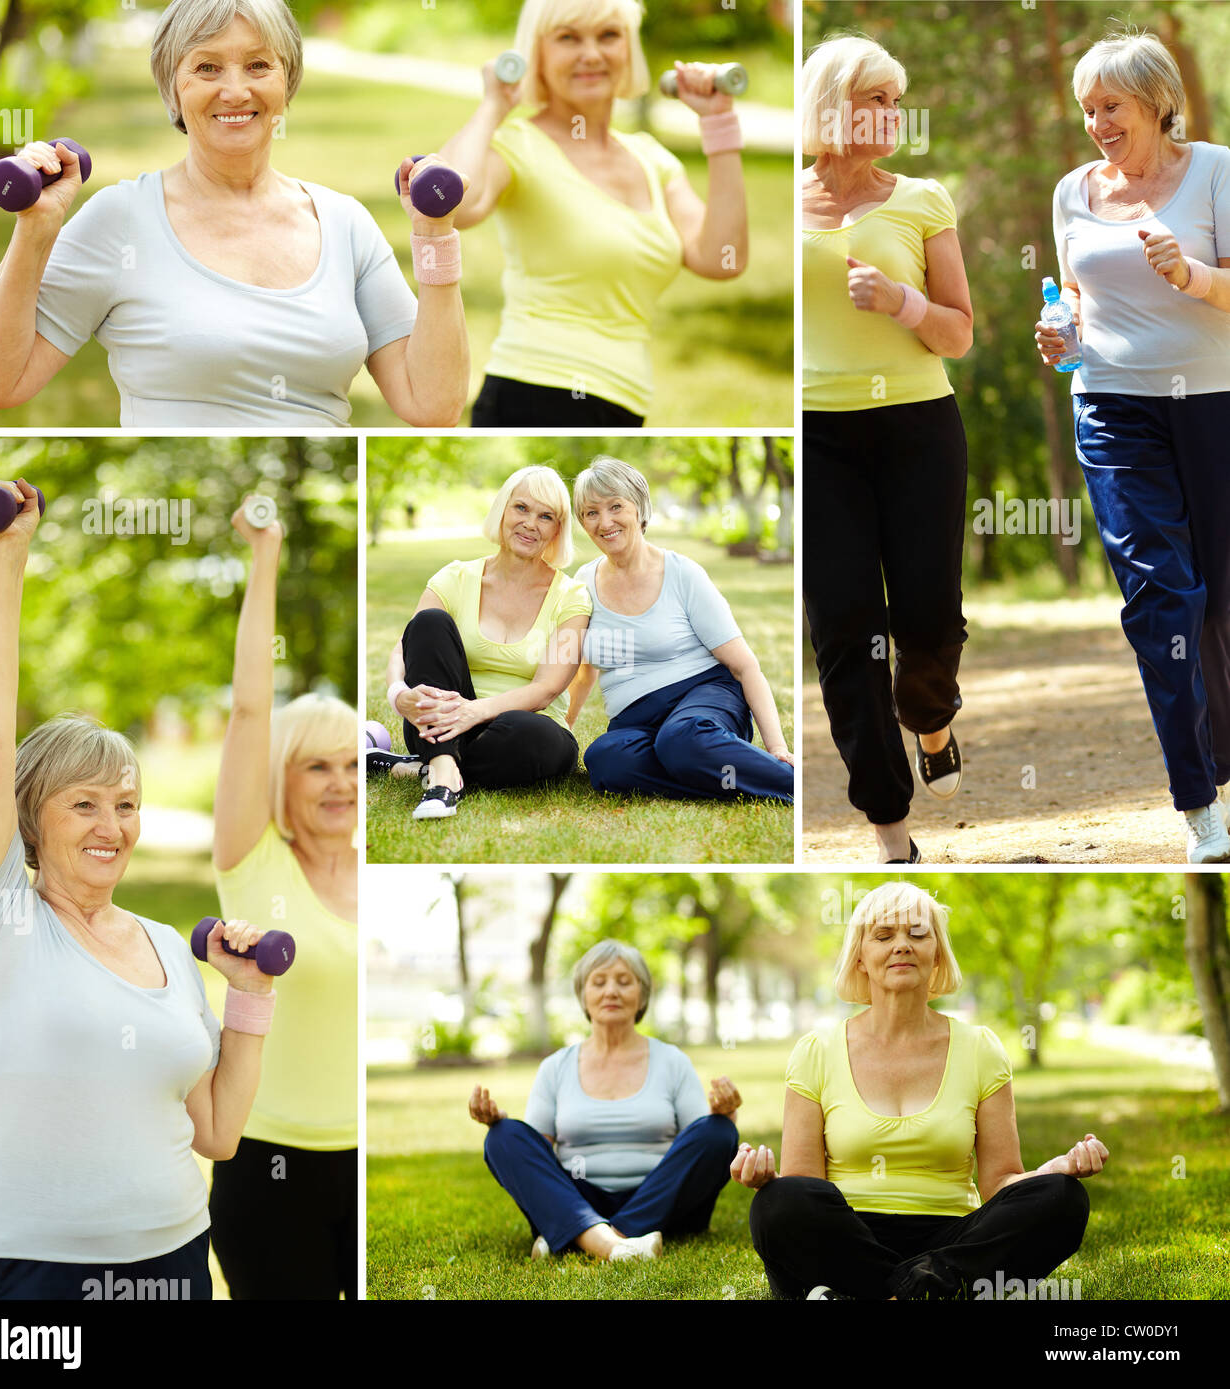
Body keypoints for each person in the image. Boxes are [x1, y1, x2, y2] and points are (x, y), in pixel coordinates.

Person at [0, 480, 275, 1300]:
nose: (112, 826)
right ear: (32, 816)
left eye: (126, 804)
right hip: (30, 1271)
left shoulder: (165, 944)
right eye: (84, 803)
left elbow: (219, 1132)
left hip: (171, 1262)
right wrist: (9, 556)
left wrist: (249, 1000)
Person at [0, 0, 468, 426]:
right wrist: (36, 229)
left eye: (258, 65)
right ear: (173, 89)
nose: (235, 91)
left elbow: (434, 405)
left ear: (285, 85)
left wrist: (434, 234)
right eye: (206, 67)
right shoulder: (122, 219)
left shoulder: (344, 223)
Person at [1035, 29, 1230, 864]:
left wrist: (1190, 274)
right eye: (1086, 109)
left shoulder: (1217, 170)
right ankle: (1199, 806)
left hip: (1215, 405)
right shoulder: (1073, 190)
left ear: (1155, 100)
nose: (1096, 123)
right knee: (1164, 600)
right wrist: (1059, 329)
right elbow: (1073, 294)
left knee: (1220, 605)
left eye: (1110, 105)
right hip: (1113, 407)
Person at [732, 883, 1107, 1300]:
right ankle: (924, 1292)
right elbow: (805, 1185)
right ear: (860, 956)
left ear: (938, 953)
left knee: (1063, 1199)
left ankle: (877, 1293)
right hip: (848, 1237)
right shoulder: (816, 1052)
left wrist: (1051, 1171)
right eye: (883, 935)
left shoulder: (980, 1048)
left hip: (950, 1243)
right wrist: (767, 1180)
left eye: (916, 933)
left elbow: (1000, 1181)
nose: (902, 946)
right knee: (778, 1202)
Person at [801, 35, 974, 863]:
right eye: (875, 99)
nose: (892, 115)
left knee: (928, 614)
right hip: (816, 436)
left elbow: (961, 331)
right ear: (831, 105)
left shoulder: (923, 199)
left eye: (896, 100)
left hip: (917, 429)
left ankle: (933, 719)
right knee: (843, 626)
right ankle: (889, 829)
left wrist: (903, 301)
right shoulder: (783, 206)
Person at [438, 0, 748, 425]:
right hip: (533, 389)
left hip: (625, 401)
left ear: (628, 48)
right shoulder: (518, 145)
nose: (592, 54)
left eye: (608, 36)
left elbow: (722, 258)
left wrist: (719, 124)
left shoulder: (650, 159)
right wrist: (493, 106)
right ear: (536, 54)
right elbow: (452, 204)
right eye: (568, 38)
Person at [206, 499, 358, 1299]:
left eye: (352, 766)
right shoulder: (252, 858)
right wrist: (266, 552)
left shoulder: (384, 871)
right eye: (316, 767)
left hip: (368, 1165)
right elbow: (250, 709)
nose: (341, 784)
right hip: (270, 1167)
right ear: (282, 777)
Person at [470, 940, 740, 1261]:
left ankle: (578, 1236)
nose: (611, 991)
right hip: (579, 1194)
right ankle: (610, 1244)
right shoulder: (555, 1067)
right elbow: (537, 1157)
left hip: (658, 1199)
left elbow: (699, 1146)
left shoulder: (672, 1061)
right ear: (583, 996)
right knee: (504, 1137)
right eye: (598, 982)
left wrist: (725, 1114)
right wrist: (502, 1124)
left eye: (624, 982)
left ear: (642, 995)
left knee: (720, 1131)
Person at [567, 455, 794, 805]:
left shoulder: (682, 573)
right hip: (635, 718)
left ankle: (789, 783)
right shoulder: (582, 582)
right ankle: (704, 769)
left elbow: (743, 665)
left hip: (704, 696)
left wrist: (777, 745)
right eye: (591, 512)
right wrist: (566, 728)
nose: (605, 522)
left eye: (616, 506)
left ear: (640, 508)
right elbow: (582, 672)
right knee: (606, 760)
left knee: (682, 739)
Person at [377, 465, 591, 821]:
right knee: (429, 622)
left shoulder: (572, 596)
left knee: (537, 738)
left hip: (522, 726)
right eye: (521, 508)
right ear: (502, 510)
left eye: (546, 516)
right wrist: (399, 696)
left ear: (557, 530)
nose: (530, 524)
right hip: (440, 719)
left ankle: (420, 768)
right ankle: (444, 769)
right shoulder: (454, 577)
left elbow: (547, 689)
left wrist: (472, 712)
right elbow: (405, 647)